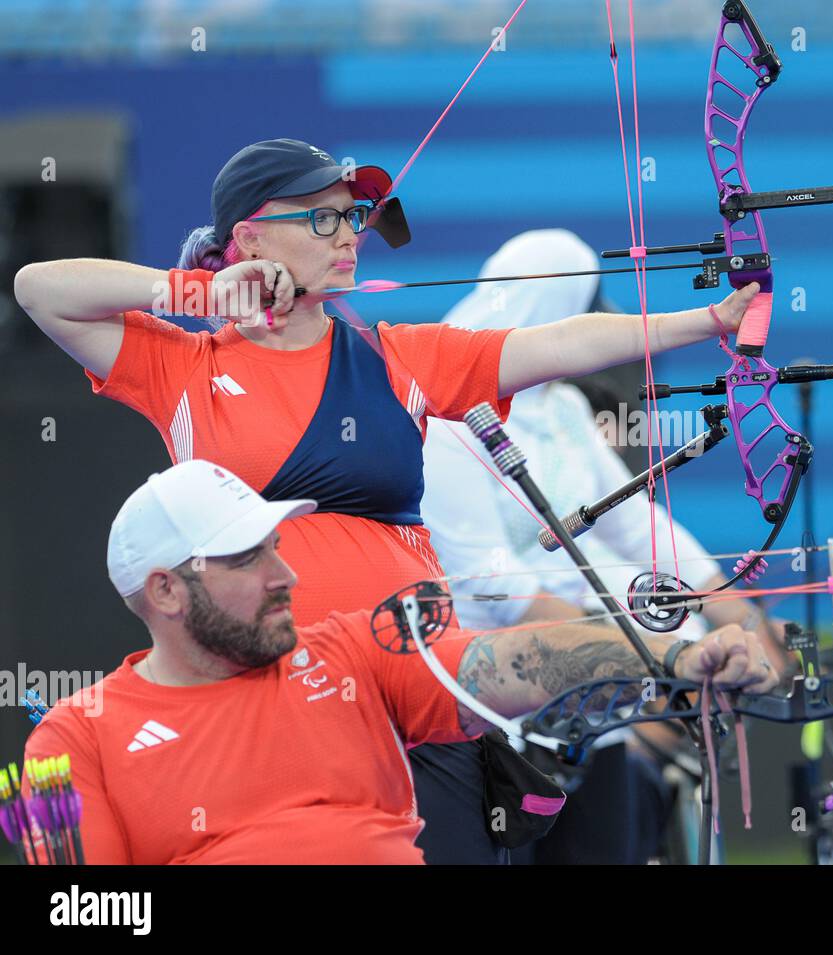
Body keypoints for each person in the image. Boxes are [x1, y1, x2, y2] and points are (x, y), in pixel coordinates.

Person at [12, 138, 760, 862]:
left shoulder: (396, 355)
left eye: (353, 217)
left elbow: (557, 342)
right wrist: (195, 292)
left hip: (419, 685)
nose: (350, 235)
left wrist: (704, 322)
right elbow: (38, 289)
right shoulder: (185, 366)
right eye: (322, 217)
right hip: (269, 700)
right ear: (249, 236)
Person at [19, 460, 779, 864]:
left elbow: (510, 661)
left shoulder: (350, 648)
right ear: (165, 590)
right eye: (249, 557)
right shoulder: (72, 737)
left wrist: (675, 653)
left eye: (277, 545)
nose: (286, 575)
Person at [422, 230, 786, 863]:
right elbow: (490, 587)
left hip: (599, 695)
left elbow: (634, 522)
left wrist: (736, 610)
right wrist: (659, 656)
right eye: (589, 303)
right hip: (501, 706)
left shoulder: (561, 406)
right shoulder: (443, 417)